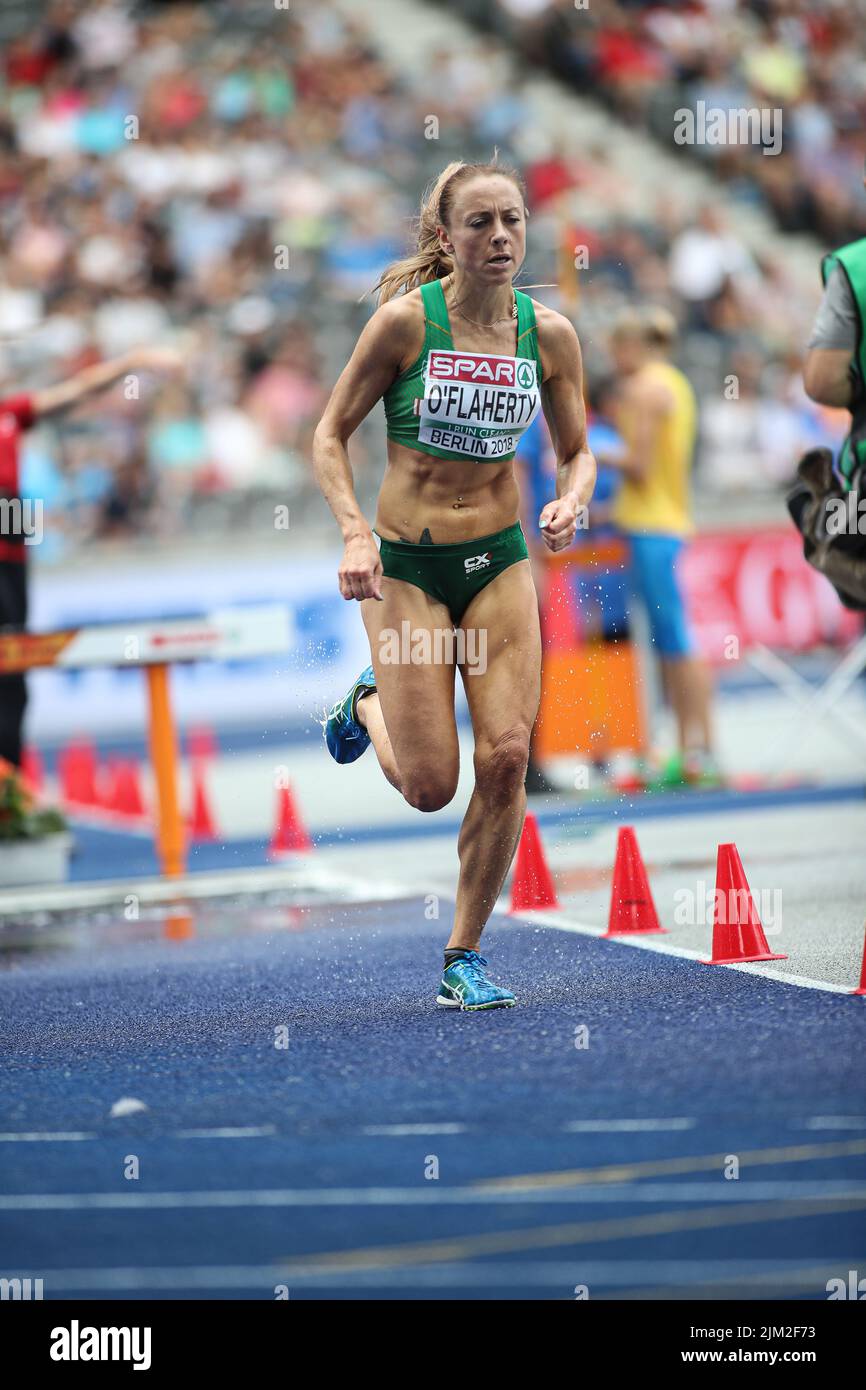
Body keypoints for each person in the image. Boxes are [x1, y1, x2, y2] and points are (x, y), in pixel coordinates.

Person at [314, 158, 597, 1010]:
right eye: (480, 223)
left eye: (512, 220)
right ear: (447, 237)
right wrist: (356, 533)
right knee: (431, 787)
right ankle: (368, 703)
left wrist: (571, 498)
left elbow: (578, 448)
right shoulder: (404, 326)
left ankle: (462, 956)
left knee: (508, 755)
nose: (501, 237)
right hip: (407, 569)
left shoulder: (547, 335)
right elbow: (329, 436)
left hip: (500, 560)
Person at [0, 346, 182, 765]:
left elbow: (79, 390)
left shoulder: (12, 413)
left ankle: (10, 768)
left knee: (14, 662)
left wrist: (134, 362)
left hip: (12, 546)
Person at [606, 307, 719, 787]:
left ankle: (699, 750)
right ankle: (693, 747)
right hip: (667, 523)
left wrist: (587, 452)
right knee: (673, 639)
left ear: (629, 347)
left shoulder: (645, 389)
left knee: (674, 639)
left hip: (652, 528)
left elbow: (640, 466)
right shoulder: (674, 381)